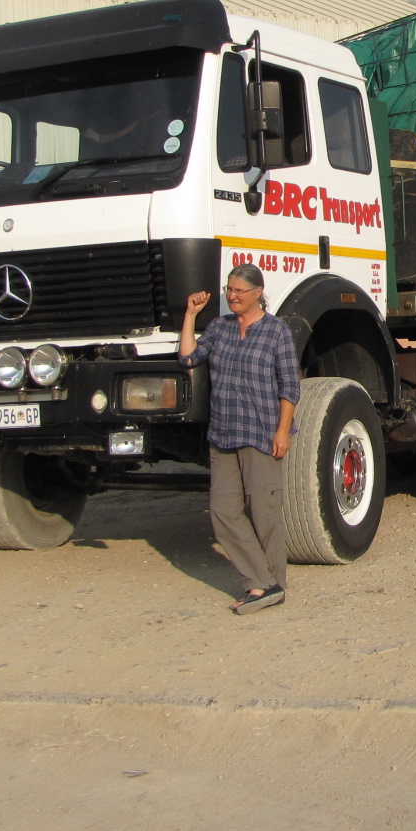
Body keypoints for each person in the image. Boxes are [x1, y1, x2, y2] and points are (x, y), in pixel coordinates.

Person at [178, 264, 301, 615]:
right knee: (223, 512)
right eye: (229, 289)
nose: (232, 296)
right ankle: (265, 583)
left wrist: (282, 431)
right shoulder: (219, 328)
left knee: (264, 514)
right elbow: (188, 357)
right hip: (223, 433)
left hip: (261, 433)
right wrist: (191, 315)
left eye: (239, 291)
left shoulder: (276, 331)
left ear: (258, 292)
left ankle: (268, 584)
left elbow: (290, 386)